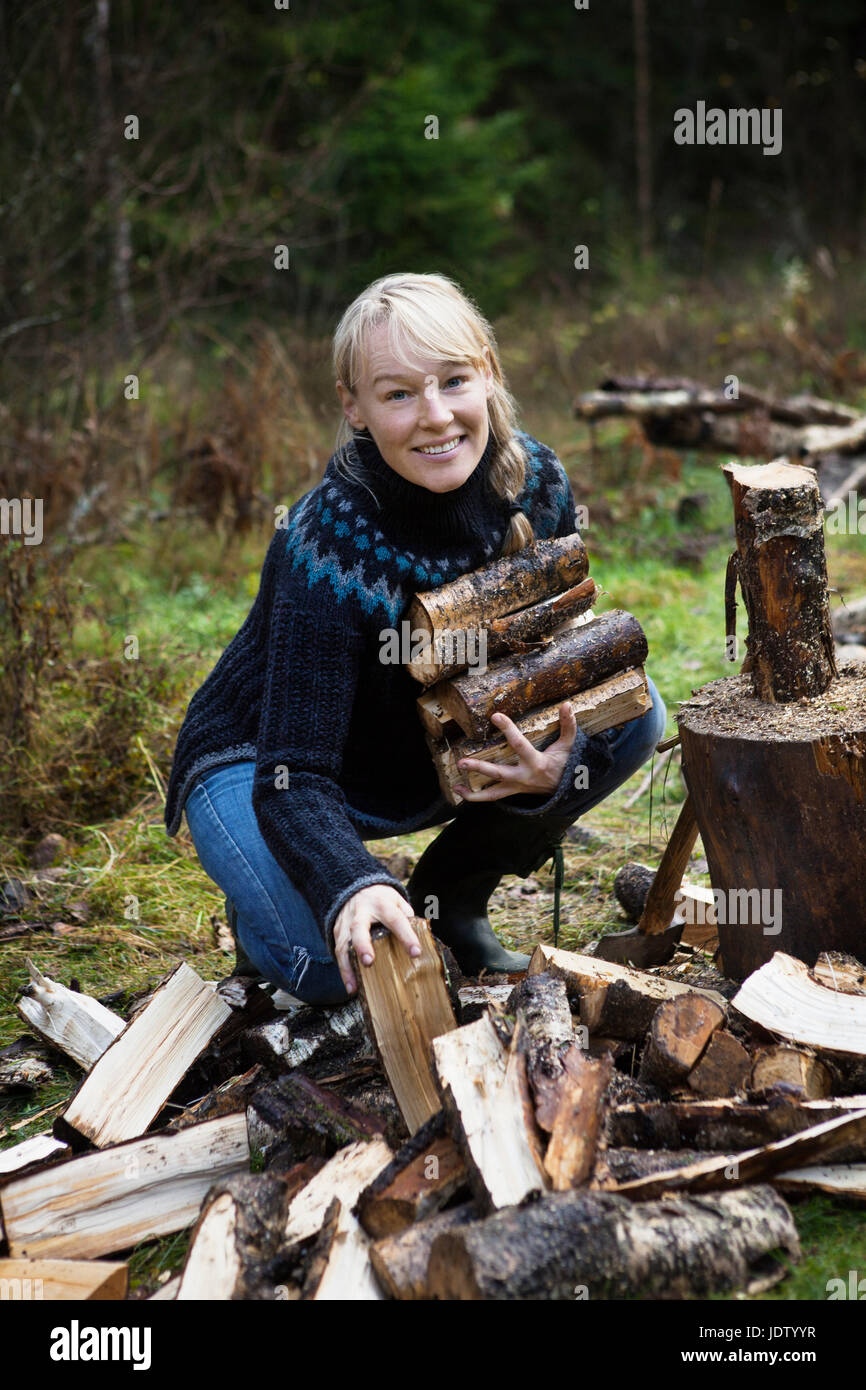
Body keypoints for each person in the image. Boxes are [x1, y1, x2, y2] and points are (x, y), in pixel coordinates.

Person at [164, 272, 666, 1004]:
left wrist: (560, 765)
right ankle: (271, 910)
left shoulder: (538, 483)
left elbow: (569, 667)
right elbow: (294, 775)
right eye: (398, 393)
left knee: (636, 715)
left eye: (454, 381)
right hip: (266, 764)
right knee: (333, 970)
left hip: (425, 745)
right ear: (354, 407)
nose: (435, 417)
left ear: (488, 372)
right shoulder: (329, 543)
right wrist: (354, 884)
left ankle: (450, 899)